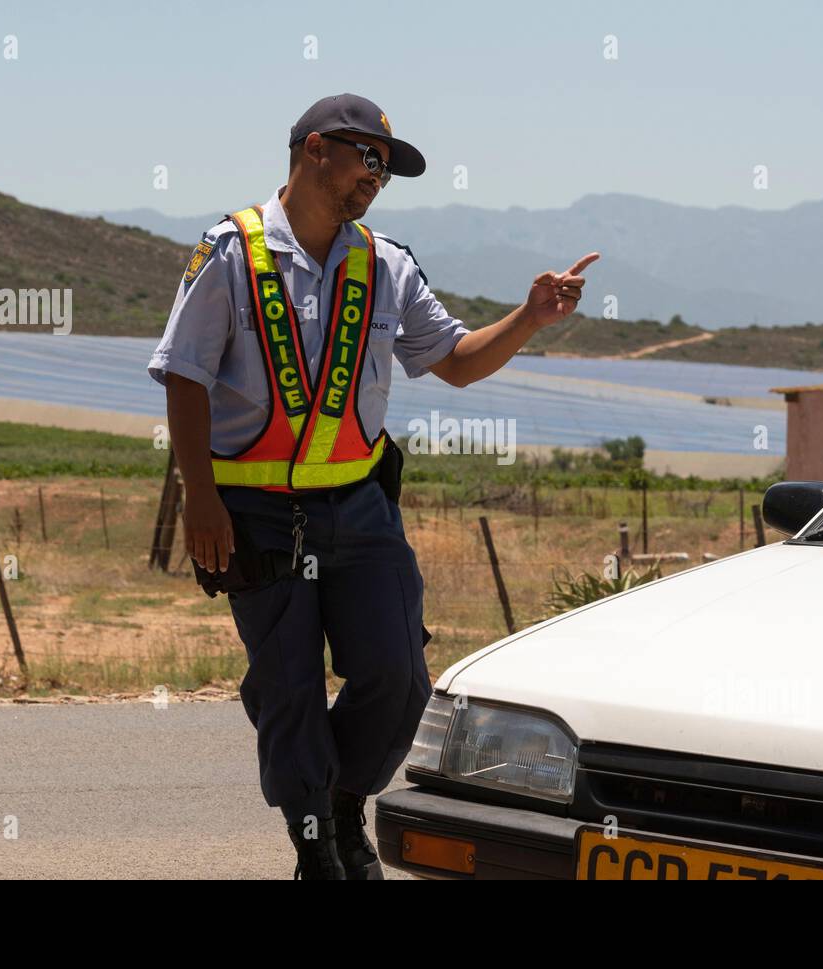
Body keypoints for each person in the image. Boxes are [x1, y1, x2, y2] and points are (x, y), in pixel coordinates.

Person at [147, 93, 599, 879]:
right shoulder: (230, 252)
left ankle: (343, 799)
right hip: (255, 512)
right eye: (369, 159)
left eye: (386, 169)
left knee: (399, 678)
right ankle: (317, 842)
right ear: (315, 149)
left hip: (360, 509)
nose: (378, 178)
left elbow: (455, 359)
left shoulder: (385, 264)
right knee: (289, 689)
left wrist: (528, 317)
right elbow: (183, 377)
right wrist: (201, 499)